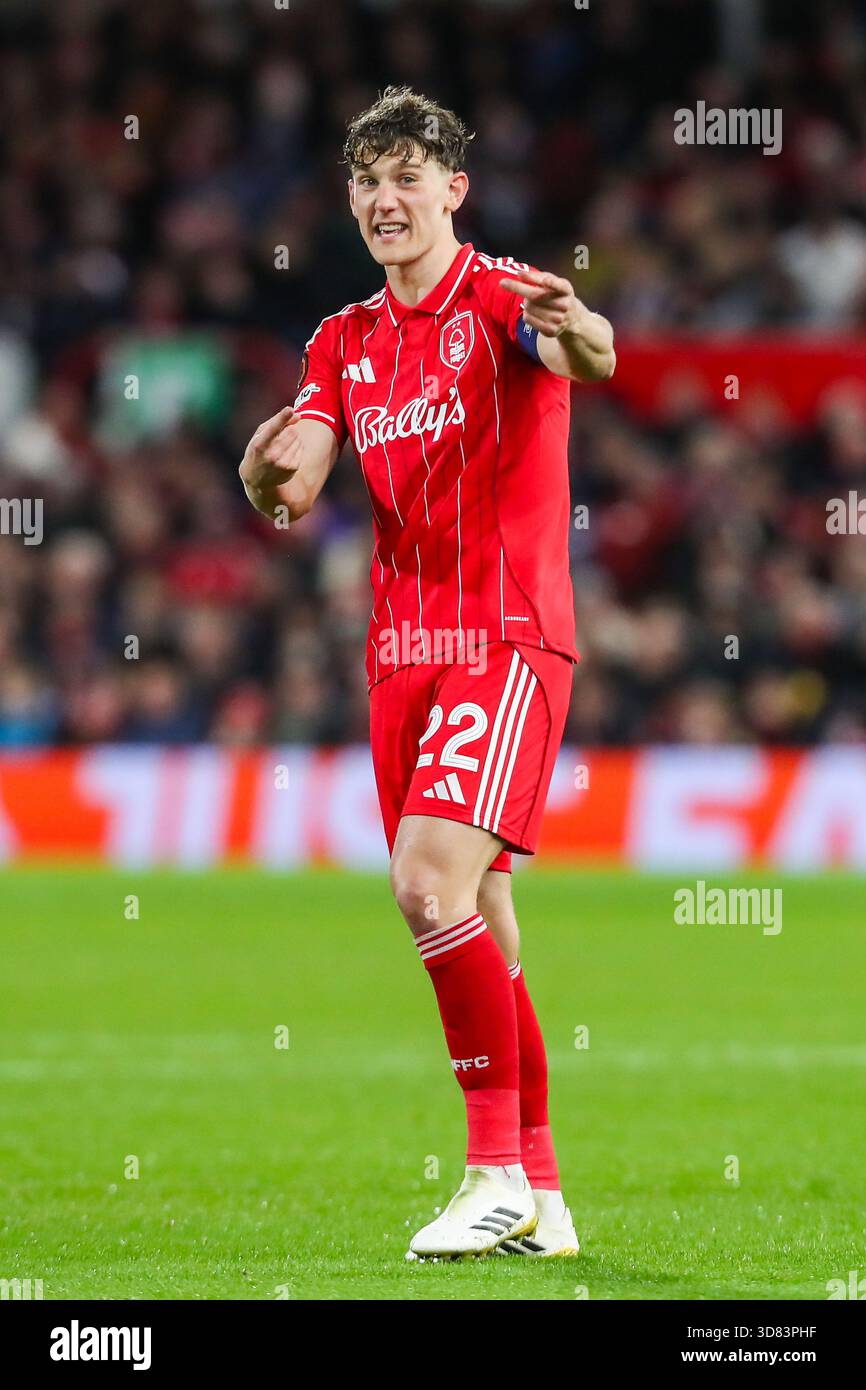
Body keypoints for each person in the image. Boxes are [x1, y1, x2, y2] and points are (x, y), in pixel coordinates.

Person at [239, 85, 615, 1260]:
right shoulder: (341, 340)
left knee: (424, 885)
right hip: (399, 654)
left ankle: (491, 1171)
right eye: (366, 181)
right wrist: (266, 472)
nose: (384, 199)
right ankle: (543, 1199)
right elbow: (295, 480)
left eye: (408, 177)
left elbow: (588, 353)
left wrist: (580, 323)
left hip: (503, 639)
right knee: (478, 915)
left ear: (453, 188)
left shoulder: (500, 295)